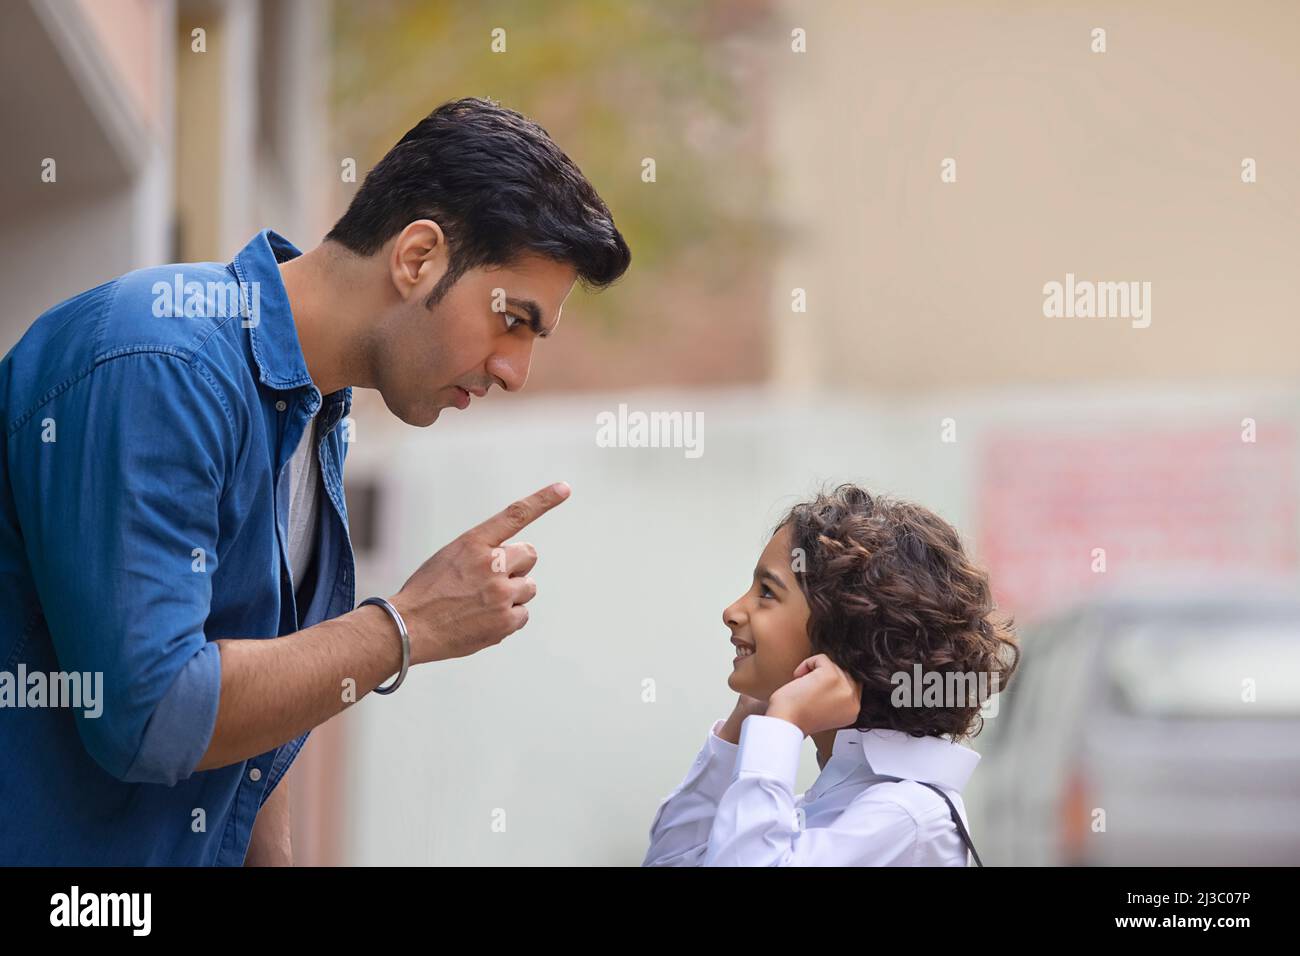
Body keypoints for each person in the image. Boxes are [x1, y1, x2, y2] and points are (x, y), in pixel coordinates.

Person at [0, 97, 629, 865]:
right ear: (418, 256)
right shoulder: (162, 365)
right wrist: (404, 628)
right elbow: (152, 712)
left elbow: (252, 692)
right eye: (513, 319)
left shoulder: (313, 412)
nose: (515, 371)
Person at [643, 484, 1019, 866]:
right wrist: (738, 732)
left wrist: (782, 724)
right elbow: (670, 860)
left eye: (767, 593)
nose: (733, 611)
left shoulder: (908, 817)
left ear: (844, 633)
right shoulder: (821, 805)